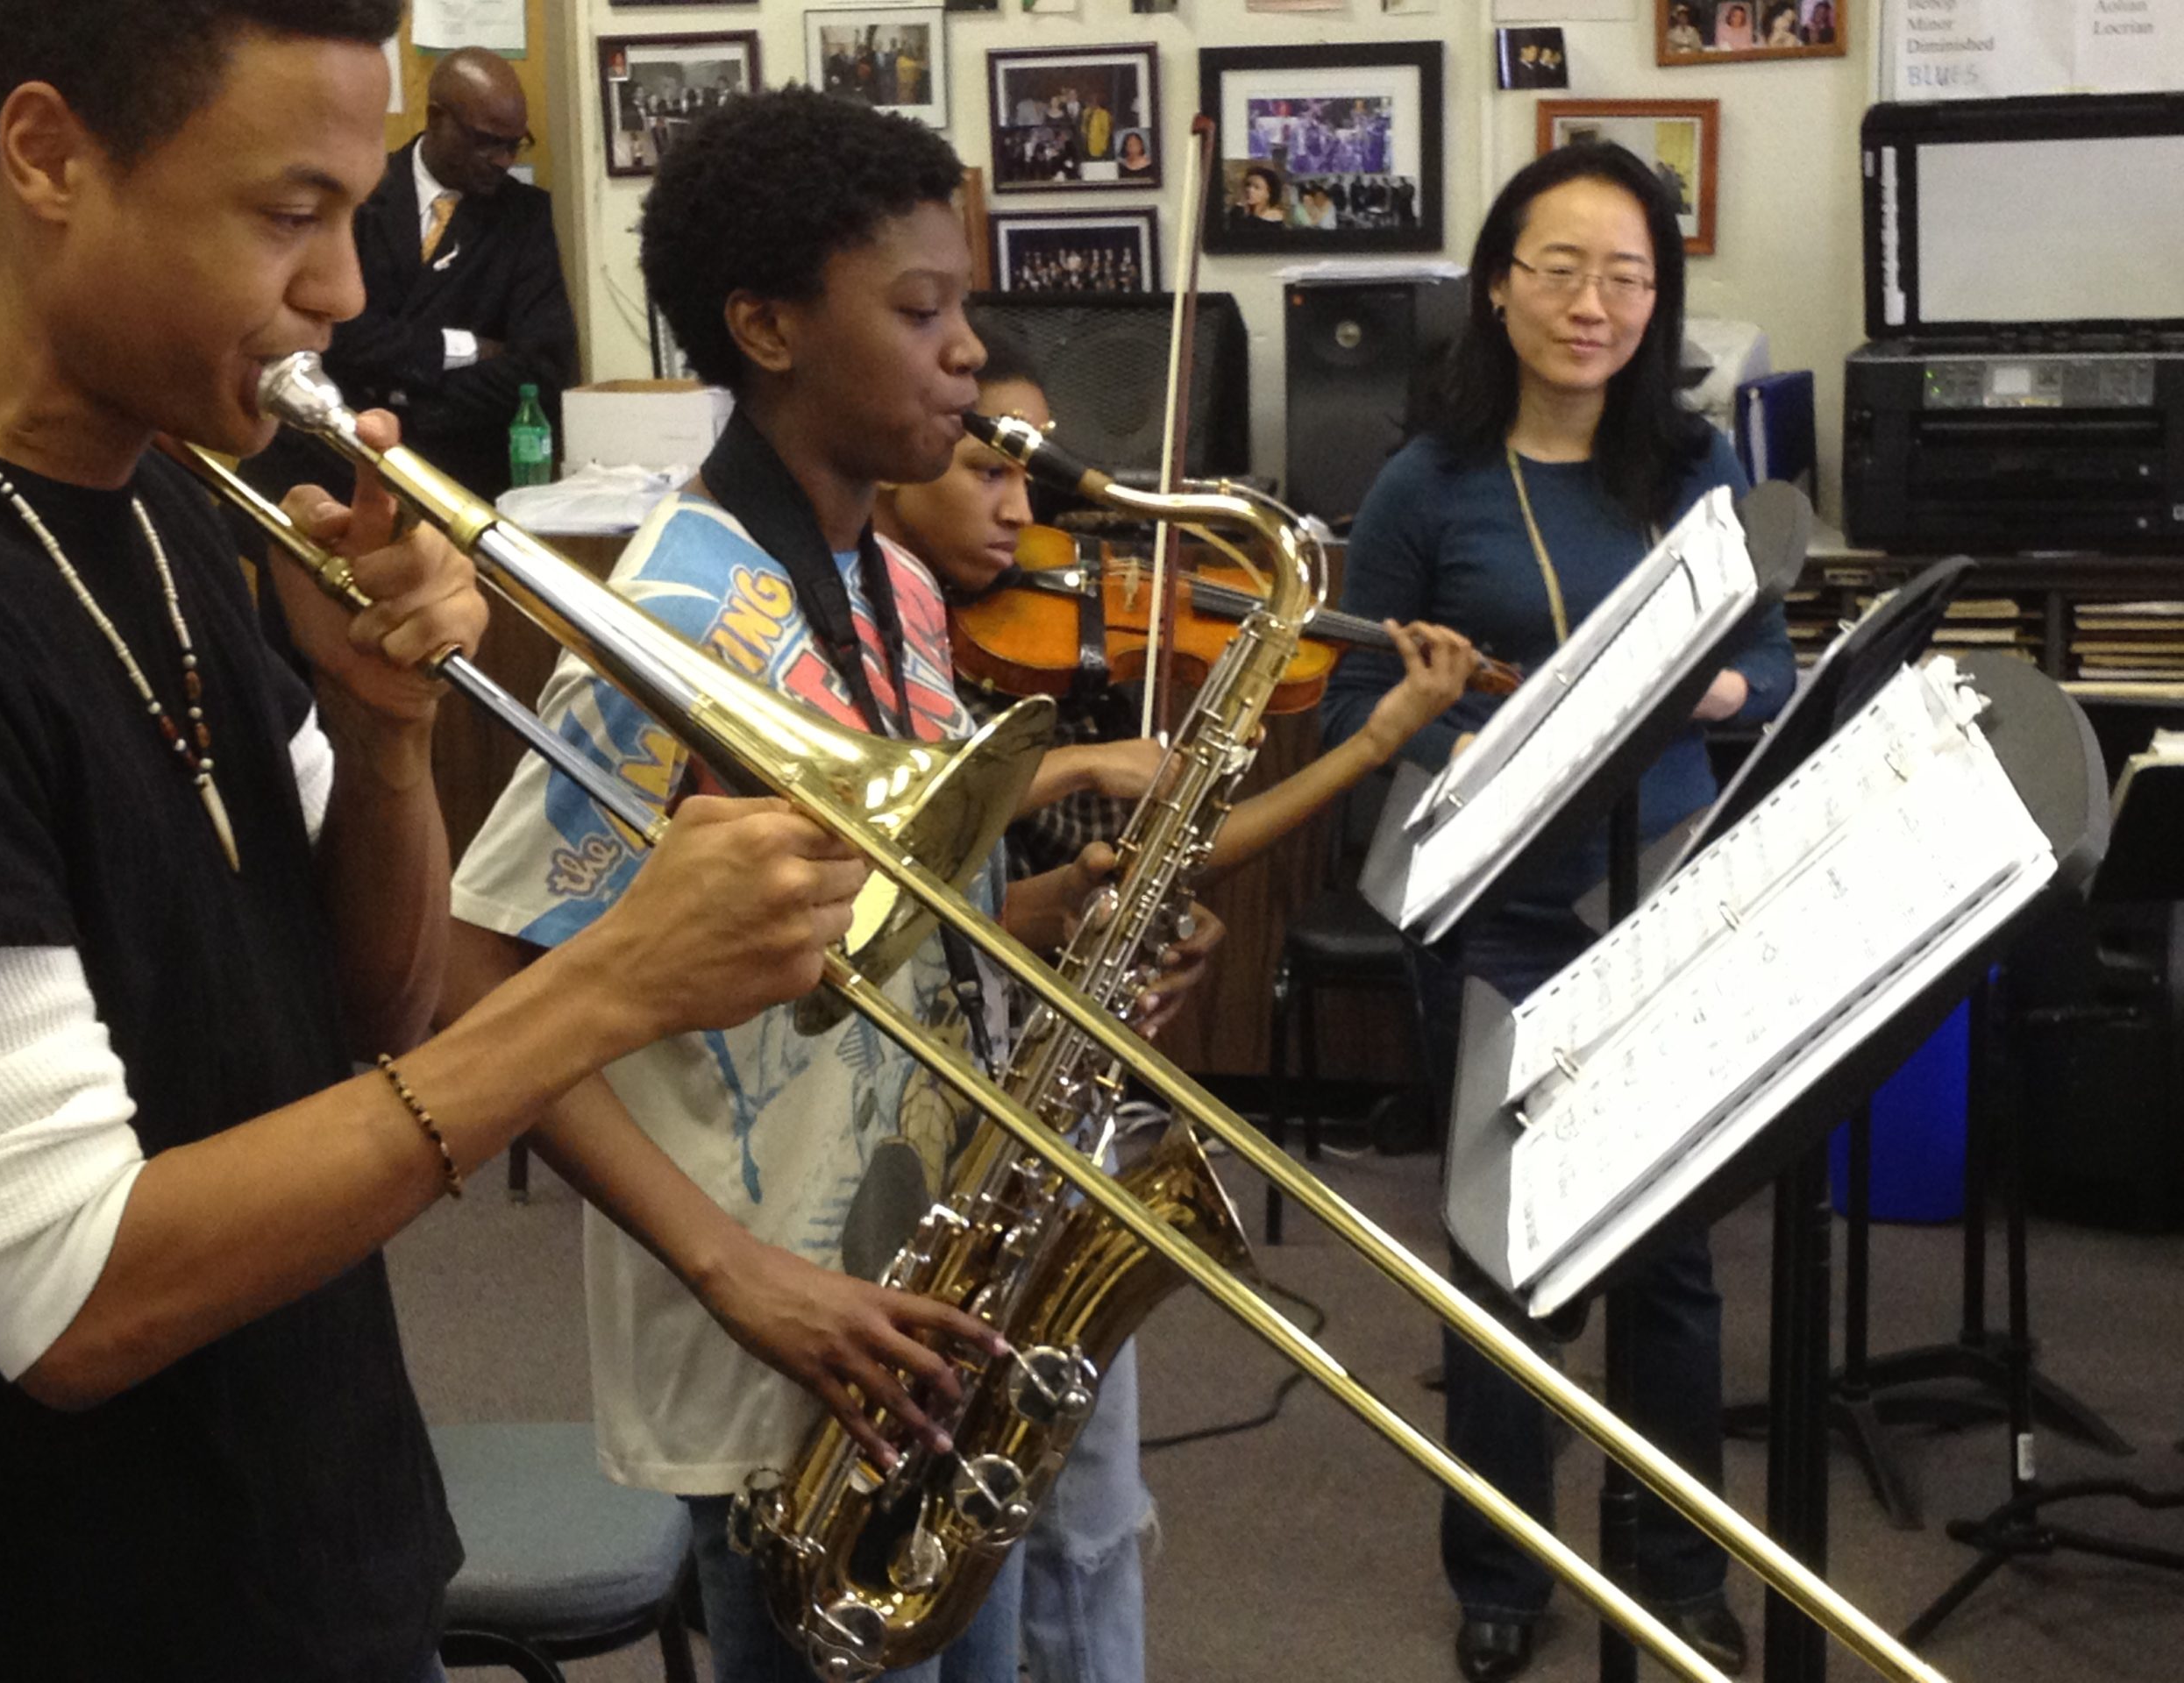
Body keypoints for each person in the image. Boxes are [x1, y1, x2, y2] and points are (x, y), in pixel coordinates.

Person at [0, 7, 915, 1680]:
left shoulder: (175, 500)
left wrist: (390, 741)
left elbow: (374, 1021)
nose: (343, 293)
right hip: (75, 1604)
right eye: (287, 213)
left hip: (322, 1541)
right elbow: (71, 1297)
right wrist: (607, 983)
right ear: (46, 156)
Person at [443, 89, 1215, 1683]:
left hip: (929, 1312)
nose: (963, 352)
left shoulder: (901, 584)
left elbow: (852, 951)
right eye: (922, 309)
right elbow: (480, 985)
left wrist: (1045, 930)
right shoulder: (680, 619)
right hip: (781, 1353)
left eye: (964, 307)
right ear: (768, 327)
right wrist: (739, 1276)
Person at [875, 321, 1480, 1683]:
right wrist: (1083, 842)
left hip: (1060, 1101)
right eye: (985, 475)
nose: (1021, 518)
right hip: (948, 1117)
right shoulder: (902, 656)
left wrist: (1106, 891)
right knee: (980, 1517)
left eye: (1028, 485)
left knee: (1081, 1504)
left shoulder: (1027, 641)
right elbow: (942, 913)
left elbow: (1133, 862)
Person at [1321, 141, 1796, 1683]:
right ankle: (1505, 1572)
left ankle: (1674, 1566)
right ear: (1499, 283)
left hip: (1656, 891)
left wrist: (1721, 685)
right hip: (1493, 913)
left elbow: (1772, 671)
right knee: (1504, 1256)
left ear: (1657, 302)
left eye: (1629, 278)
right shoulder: (1425, 484)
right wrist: (1478, 737)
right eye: (1562, 270)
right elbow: (1347, 711)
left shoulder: (1695, 465)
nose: (1594, 305)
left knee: (1668, 1254)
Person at [245, 46, 577, 505]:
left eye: (515, 144)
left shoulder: (524, 217)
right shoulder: (355, 193)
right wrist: (459, 348)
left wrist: (411, 406)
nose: (502, 160)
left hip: (453, 475)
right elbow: (331, 333)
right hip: (324, 464)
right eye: (487, 141)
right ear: (436, 117)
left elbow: (543, 369)